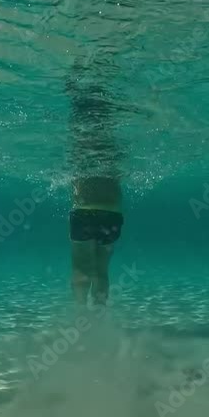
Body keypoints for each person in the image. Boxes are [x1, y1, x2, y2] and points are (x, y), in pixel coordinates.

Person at [65, 54, 124, 307]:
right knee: (100, 271)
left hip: (85, 213)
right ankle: (98, 322)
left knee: (82, 271)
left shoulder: (79, 148)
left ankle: (80, 324)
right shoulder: (113, 151)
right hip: (111, 214)